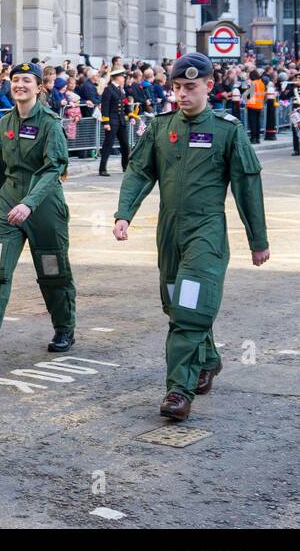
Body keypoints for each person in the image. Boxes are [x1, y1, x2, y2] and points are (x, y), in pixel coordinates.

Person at [113, 52, 269, 421]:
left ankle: (178, 391)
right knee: (176, 304)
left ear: (209, 86)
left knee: (188, 307)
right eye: (177, 87)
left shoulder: (227, 130)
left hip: (206, 232)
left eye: (190, 87)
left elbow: (248, 187)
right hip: (168, 232)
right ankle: (208, 359)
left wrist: (257, 239)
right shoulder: (161, 127)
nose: (182, 95)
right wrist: (124, 214)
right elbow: (138, 172)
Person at [0, 61, 77, 359]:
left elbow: (54, 168)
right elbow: (1, 171)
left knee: (52, 269)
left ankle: (64, 327)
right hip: (9, 204)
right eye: (15, 80)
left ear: (39, 87)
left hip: (43, 205)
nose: (20, 85)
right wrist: (0, 207)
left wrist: (29, 203)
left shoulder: (50, 124)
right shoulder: (4, 124)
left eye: (27, 80)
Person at [98, 69, 129, 176]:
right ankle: (102, 169)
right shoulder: (108, 90)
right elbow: (105, 107)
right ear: (117, 78)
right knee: (108, 145)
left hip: (120, 121)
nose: (124, 79)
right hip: (112, 121)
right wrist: (105, 123)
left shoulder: (120, 90)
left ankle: (126, 167)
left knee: (125, 145)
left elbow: (124, 105)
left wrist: (131, 115)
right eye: (122, 77)